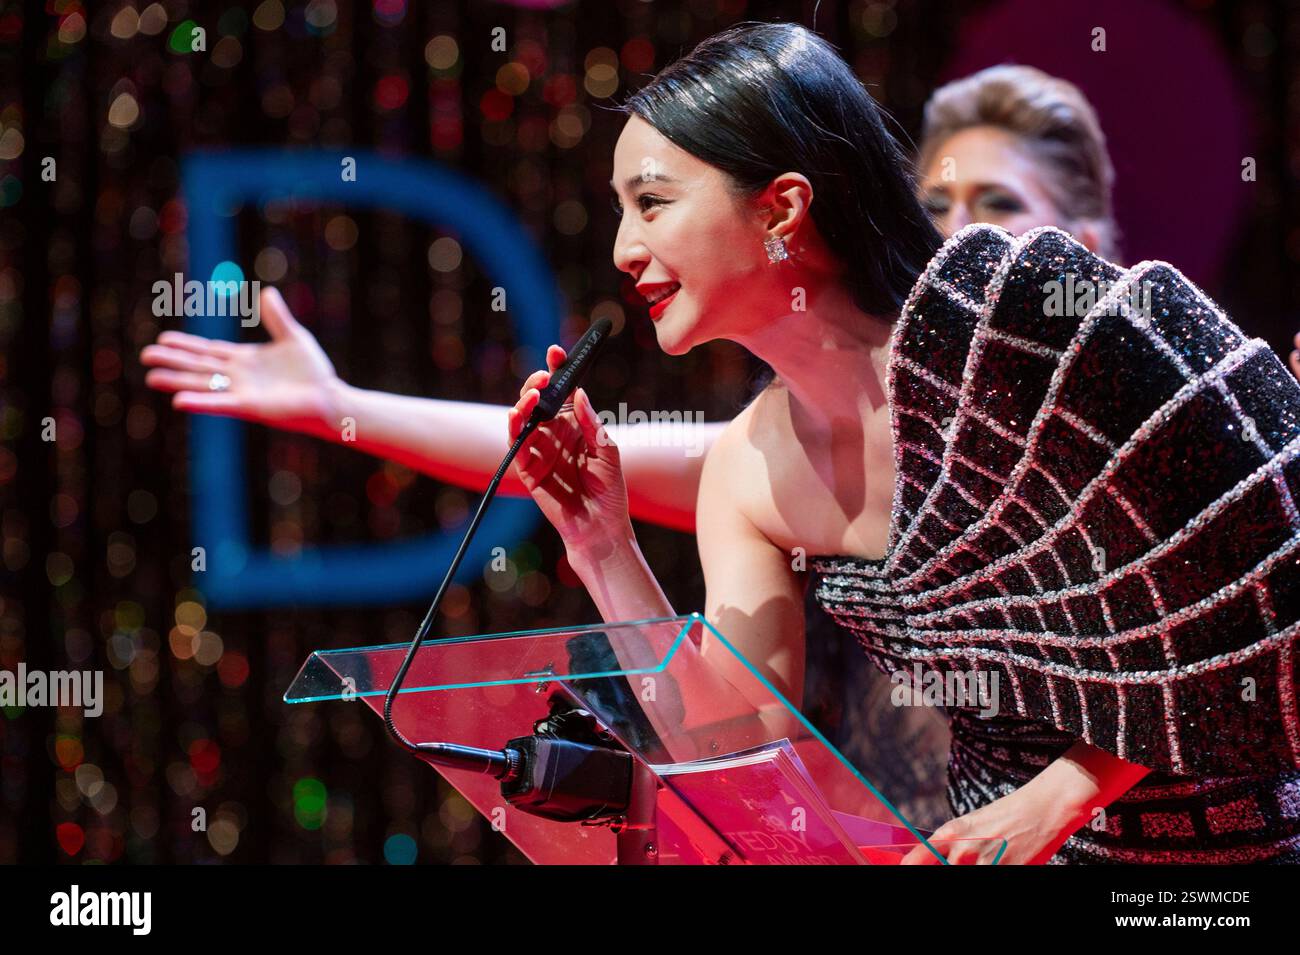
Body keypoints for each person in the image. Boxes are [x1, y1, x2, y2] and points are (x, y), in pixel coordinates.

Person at [144, 28, 1300, 863]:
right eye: (614, 209)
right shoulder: (748, 467)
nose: (619, 247)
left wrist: (1069, 787)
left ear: (783, 208)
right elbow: (740, 765)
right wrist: (600, 543)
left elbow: (1273, 570)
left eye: (650, 202)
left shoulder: (1019, 309)